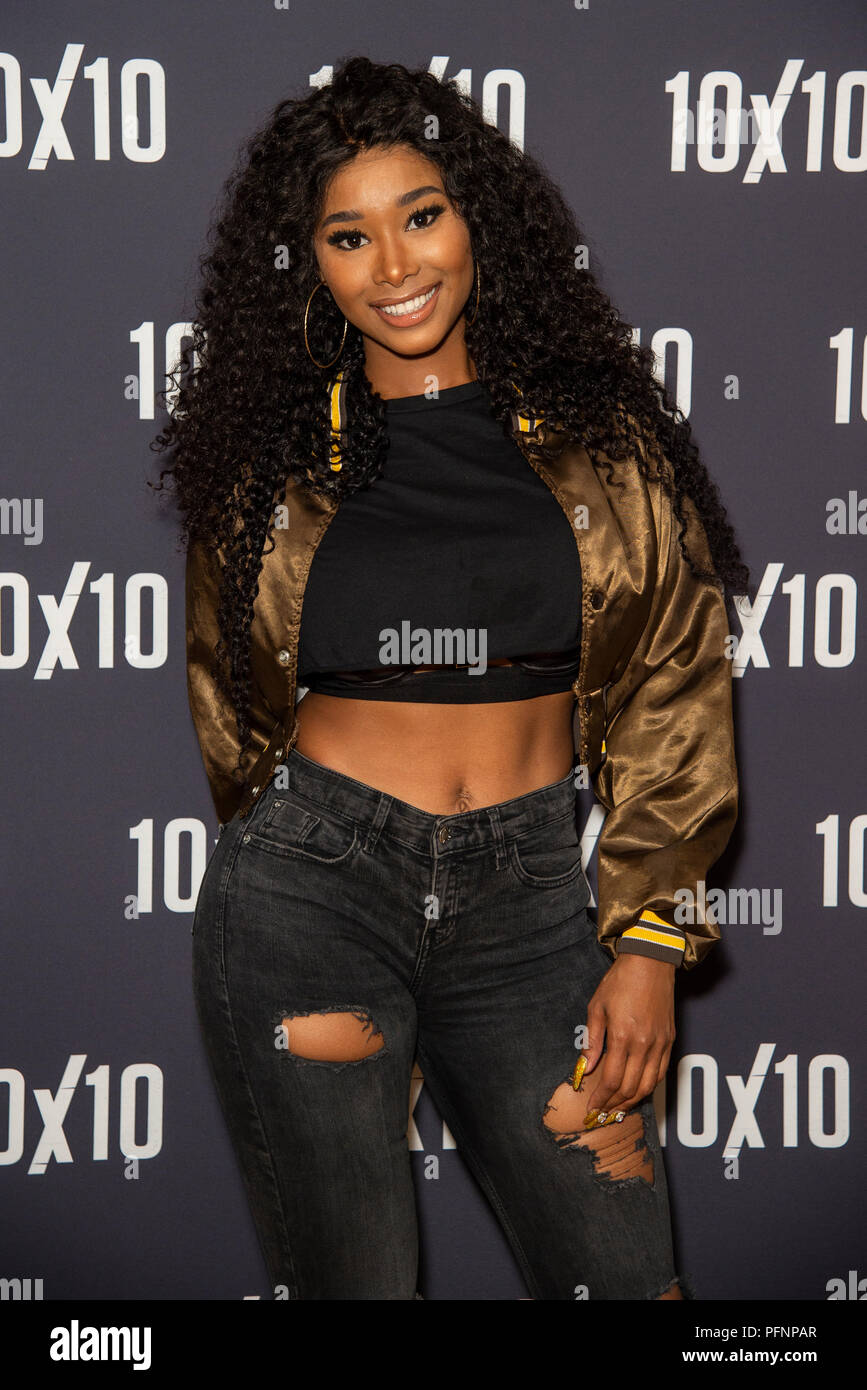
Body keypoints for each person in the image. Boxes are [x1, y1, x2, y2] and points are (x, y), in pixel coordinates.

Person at [153, 55, 748, 1300]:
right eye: (348, 236)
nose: (398, 265)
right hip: (311, 900)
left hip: (532, 905)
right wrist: (306, 856)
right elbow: (231, 704)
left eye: (421, 215)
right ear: (310, 265)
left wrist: (648, 935)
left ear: (476, 216)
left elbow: (672, 681)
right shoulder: (268, 468)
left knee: (635, 1284)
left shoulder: (605, 442)